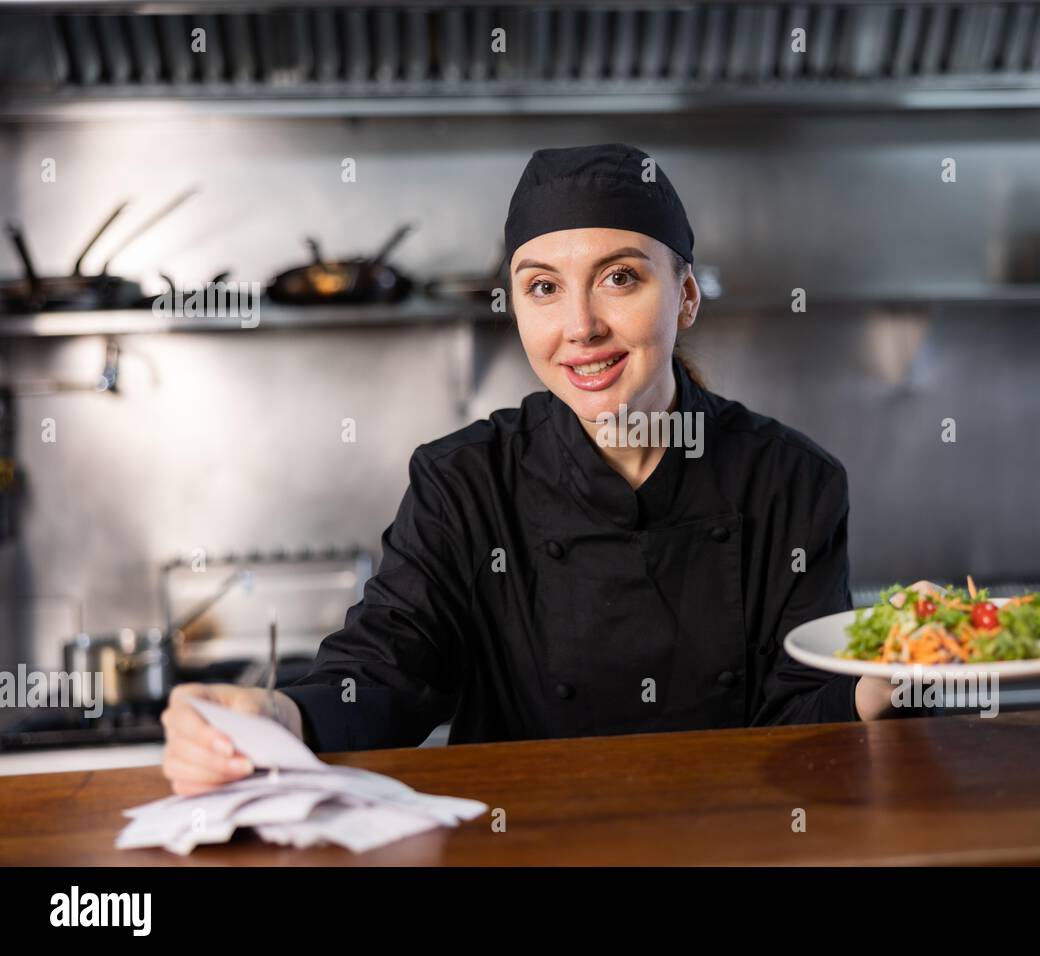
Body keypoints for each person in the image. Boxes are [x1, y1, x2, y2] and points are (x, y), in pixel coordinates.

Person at [160, 143, 896, 797]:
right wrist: (282, 714)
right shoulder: (465, 483)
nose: (580, 326)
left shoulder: (791, 481)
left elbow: (806, 714)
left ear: (688, 295)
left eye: (619, 278)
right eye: (543, 287)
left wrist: (897, 669)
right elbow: (386, 669)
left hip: (730, 845)